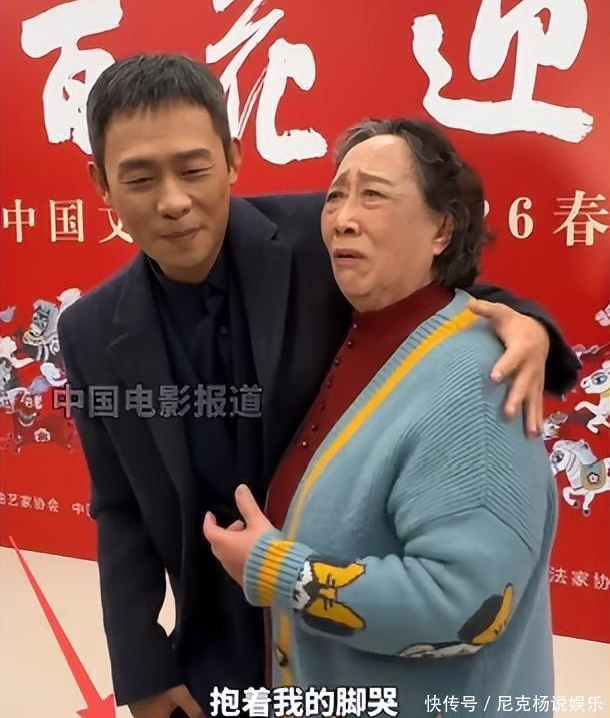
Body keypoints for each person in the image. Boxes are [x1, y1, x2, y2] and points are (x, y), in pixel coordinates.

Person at [56, 56, 576, 718]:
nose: (173, 201)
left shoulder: (321, 235)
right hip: (213, 650)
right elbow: (119, 506)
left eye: (192, 169)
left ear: (232, 158)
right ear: (101, 183)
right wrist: (141, 668)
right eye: (139, 178)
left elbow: (431, 289)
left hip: (346, 635)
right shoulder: (89, 330)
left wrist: (529, 325)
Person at [205, 119, 558, 713]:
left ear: (442, 228)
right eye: (335, 196)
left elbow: (465, 604)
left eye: (373, 194)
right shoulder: (356, 329)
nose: (343, 218)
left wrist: (277, 569)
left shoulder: (478, 380)